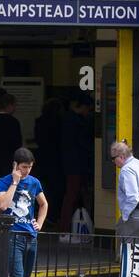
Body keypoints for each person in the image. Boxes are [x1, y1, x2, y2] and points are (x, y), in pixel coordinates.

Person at [0, 148, 48, 277]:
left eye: (30, 167)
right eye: (24, 167)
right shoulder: (4, 181)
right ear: (15, 165)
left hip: (30, 236)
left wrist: (39, 223)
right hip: (13, 236)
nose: (27, 171)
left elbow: (43, 204)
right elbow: (3, 205)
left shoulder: (34, 183)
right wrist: (15, 183)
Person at [57, 93, 94, 236]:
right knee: (72, 194)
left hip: (69, 163)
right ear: (84, 107)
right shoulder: (77, 122)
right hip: (76, 165)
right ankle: (65, 229)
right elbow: (83, 144)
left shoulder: (67, 119)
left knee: (71, 195)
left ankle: (65, 227)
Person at [33, 97, 65, 227]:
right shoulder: (59, 122)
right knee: (56, 188)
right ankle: (52, 215)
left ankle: (42, 213)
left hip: (42, 156)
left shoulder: (39, 121)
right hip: (55, 158)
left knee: (43, 186)